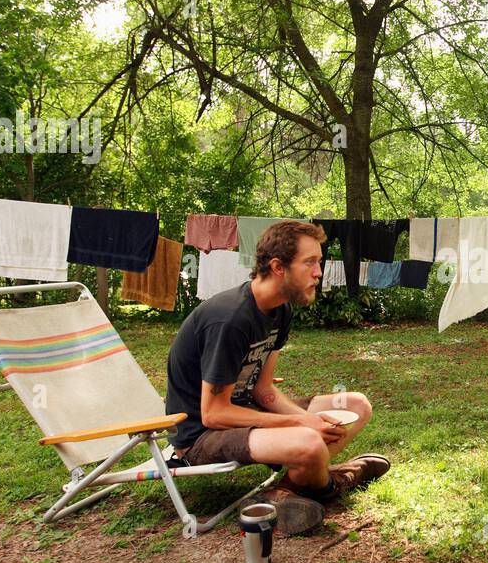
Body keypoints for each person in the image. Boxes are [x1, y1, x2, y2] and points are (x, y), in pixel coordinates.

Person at [165, 219, 389, 534]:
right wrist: (302, 423)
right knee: (309, 442)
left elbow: (264, 390)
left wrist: (310, 419)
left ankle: (287, 489)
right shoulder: (229, 320)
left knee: (356, 405)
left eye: (319, 262)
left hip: (248, 414)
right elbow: (214, 413)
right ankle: (331, 483)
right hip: (202, 436)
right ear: (278, 267)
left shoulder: (280, 310)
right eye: (310, 262)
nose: (319, 272)